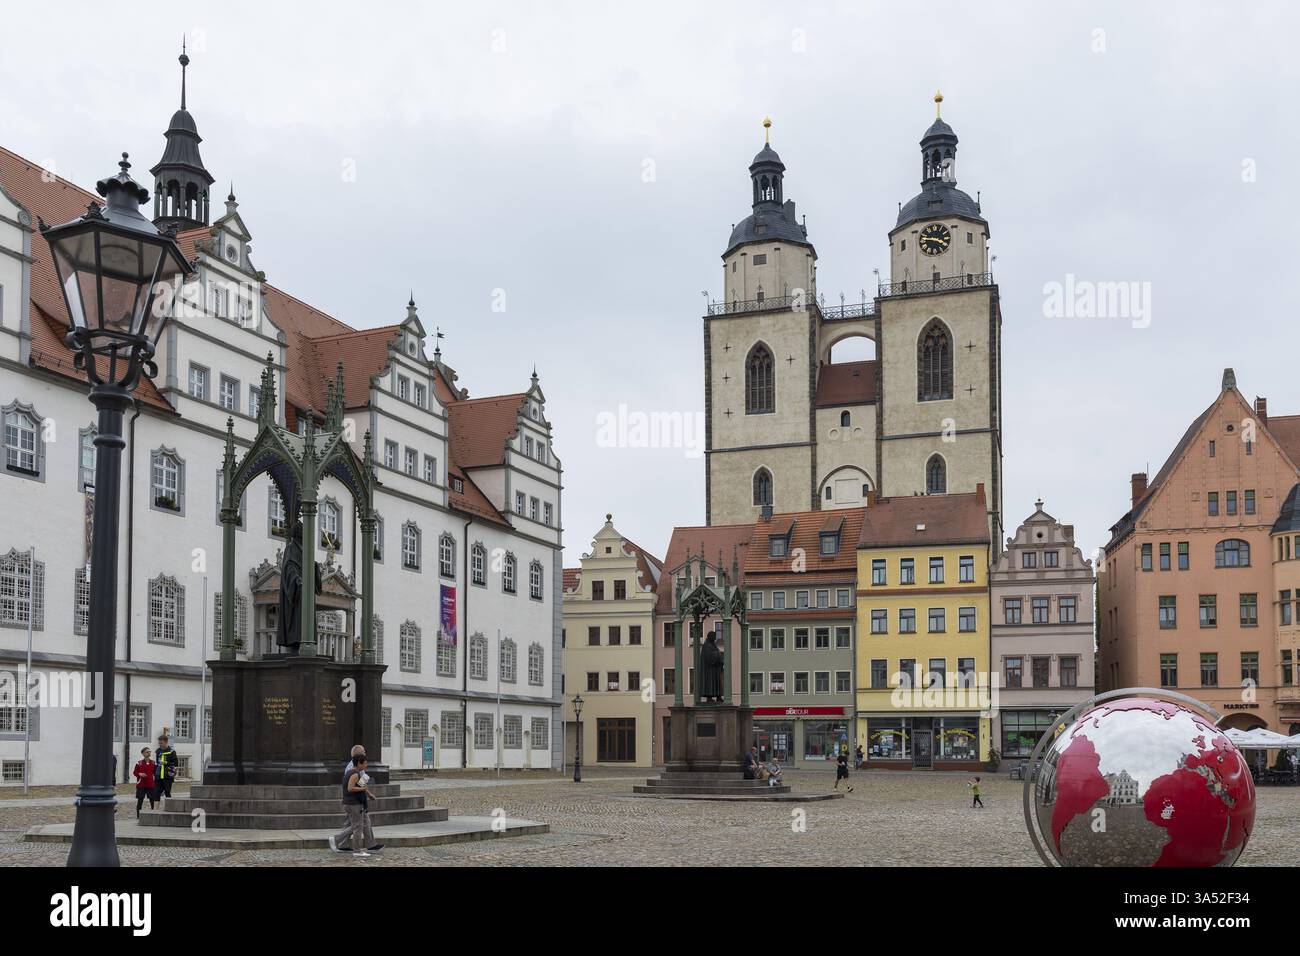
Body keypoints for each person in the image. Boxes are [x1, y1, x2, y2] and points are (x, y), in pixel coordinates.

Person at [330, 744, 382, 853]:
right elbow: (354, 786)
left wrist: (367, 793)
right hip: (355, 802)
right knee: (357, 825)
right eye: (363, 753)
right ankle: (339, 840)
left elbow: (361, 783)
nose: (365, 754)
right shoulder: (353, 770)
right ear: (358, 757)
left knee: (357, 823)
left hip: (357, 801)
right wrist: (365, 791)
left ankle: (366, 844)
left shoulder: (357, 768)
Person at [343, 755, 377, 857]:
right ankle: (357, 851)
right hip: (354, 804)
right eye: (364, 763)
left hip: (353, 803)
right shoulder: (354, 774)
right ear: (358, 763)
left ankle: (337, 839)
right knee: (358, 827)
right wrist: (363, 789)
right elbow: (350, 788)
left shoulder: (356, 773)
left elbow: (360, 786)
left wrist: (368, 794)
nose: (366, 765)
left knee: (356, 826)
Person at [153, 732, 179, 804]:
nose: (160, 745)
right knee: (156, 793)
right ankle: (156, 810)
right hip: (158, 775)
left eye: (161, 743)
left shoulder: (172, 752)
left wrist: (166, 763)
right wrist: (154, 774)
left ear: (166, 742)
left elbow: (175, 764)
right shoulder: (158, 751)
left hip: (167, 776)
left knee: (167, 792)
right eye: (159, 743)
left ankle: (169, 807)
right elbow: (157, 763)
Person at [132, 747, 157, 818]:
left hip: (151, 784)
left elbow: (155, 773)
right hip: (141, 785)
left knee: (152, 800)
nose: (149, 753)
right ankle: (138, 816)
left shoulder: (153, 763)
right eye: (147, 752)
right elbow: (135, 772)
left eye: (149, 752)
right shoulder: (139, 763)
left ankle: (154, 814)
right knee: (140, 800)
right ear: (142, 753)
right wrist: (139, 774)